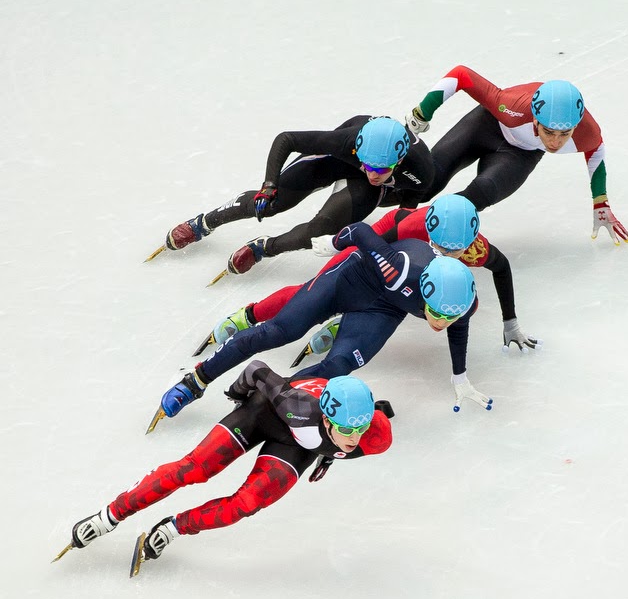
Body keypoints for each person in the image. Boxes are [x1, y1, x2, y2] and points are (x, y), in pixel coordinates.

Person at [154, 195, 490, 426]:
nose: (440, 323)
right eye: (437, 313)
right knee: (279, 332)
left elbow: (459, 328)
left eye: (448, 317)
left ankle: (268, 400)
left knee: (338, 366)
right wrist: (331, 243)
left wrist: (459, 376)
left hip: (383, 310)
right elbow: (360, 231)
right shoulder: (399, 269)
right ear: (425, 292)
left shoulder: (461, 301)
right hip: (350, 280)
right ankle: (196, 379)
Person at [66, 366, 392, 563]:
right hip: (263, 414)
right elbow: (257, 370)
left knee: (246, 504)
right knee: (193, 469)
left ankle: (174, 527)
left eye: (360, 429)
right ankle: (109, 515)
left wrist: (330, 452)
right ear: (327, 417)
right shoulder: (298, 407)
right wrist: (239, 396)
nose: (354, 437)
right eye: (348, 430)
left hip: (296, 445)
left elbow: (361, 427)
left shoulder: (372, 435)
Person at [210, 198, 539, 359]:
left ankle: (347, 321)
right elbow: (374, 247)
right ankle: (248, 315)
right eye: (439, 246)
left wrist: (510, 322)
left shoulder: (476, 250)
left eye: (454, 252)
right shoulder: (414, 226)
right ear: (431, 233)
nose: (445, 254)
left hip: (408, 262)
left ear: (468, 246)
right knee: (319, 285)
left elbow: (502, 266)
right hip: (387, 240)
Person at [159, 115, 434, 274]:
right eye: (366, 163)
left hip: (367, 190)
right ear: (358, 150)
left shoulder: (421, 169)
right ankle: (204, 223)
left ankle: (263, 247)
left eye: (380, 168)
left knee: (317, 233)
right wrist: (268, 186)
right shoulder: (348, 141)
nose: (370, 171)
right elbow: (286, 139)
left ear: (399, 162)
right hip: (334, 160)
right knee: (270, 203)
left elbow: (411, 201)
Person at [404, 66, 628, 245]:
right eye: (548, 131)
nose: (555, 142)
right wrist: (423, 111)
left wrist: (600, 201)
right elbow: (461, 75)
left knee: (476, 196)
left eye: (565, 134)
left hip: (520, 155)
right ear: (535, 120)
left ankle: (415, 232)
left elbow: (596, 151)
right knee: (426, 181)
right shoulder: (511, 106)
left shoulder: (587, 132)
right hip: (486, 125)